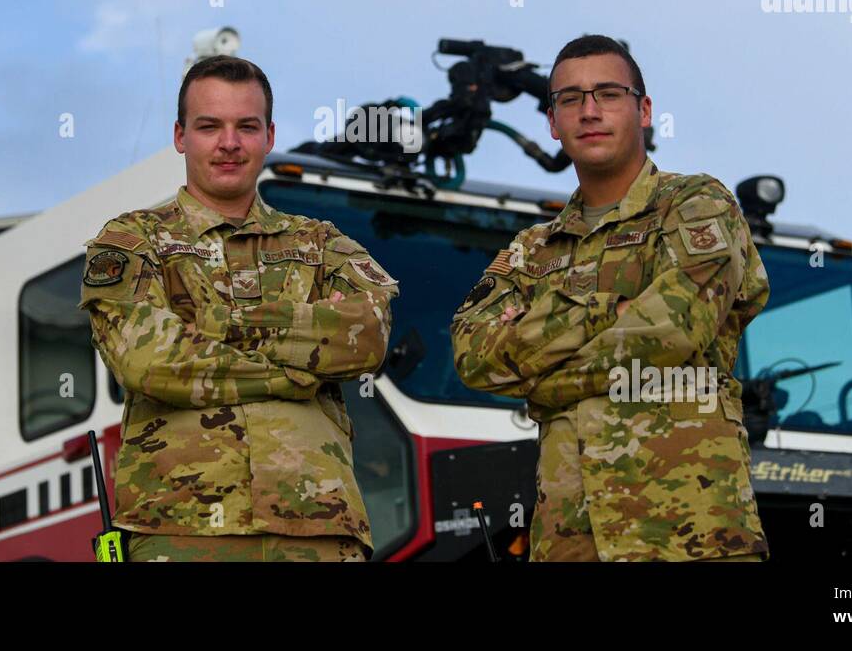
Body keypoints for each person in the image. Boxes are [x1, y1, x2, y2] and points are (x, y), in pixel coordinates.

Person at [450, 34, 770, 562]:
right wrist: (609, 311)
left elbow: (677, 326)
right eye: (570, 99)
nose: (589, 111)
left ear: (643, 110)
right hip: (570, 537)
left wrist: (547, 384)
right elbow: (473, 356)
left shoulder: (694, 203)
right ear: (552, 123)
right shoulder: (533, 248)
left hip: (690, 532)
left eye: (608, 93)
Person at [80, 55, 398, 561]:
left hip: (319, 530)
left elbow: (369, 335)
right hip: (181, 531)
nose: (229, 143)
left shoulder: (320, 241)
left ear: (269, 136)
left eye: (246, 127)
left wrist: (210, 327)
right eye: (210, 126)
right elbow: (148, 361)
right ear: (180, 136)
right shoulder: (133, 240)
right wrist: (295, 369)